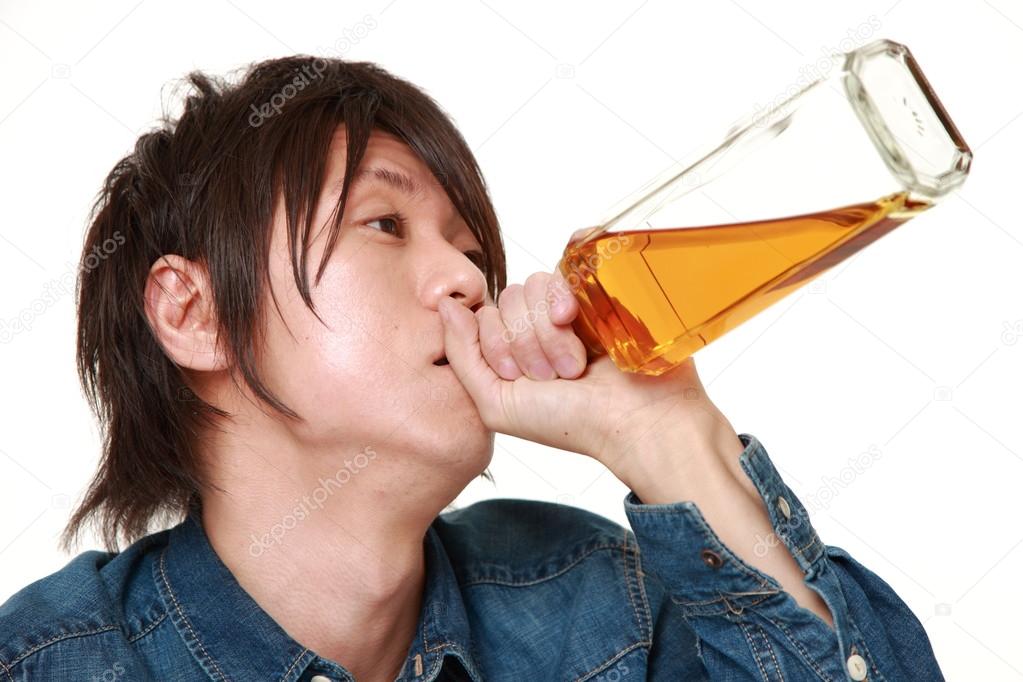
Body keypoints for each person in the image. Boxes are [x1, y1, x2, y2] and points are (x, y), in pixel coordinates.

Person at [0, 56, 943, 681]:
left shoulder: (599, 605)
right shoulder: (52, 661)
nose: (466, 279)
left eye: (469, 247)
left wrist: (668, 436)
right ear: (192, 314)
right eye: (384, 224)